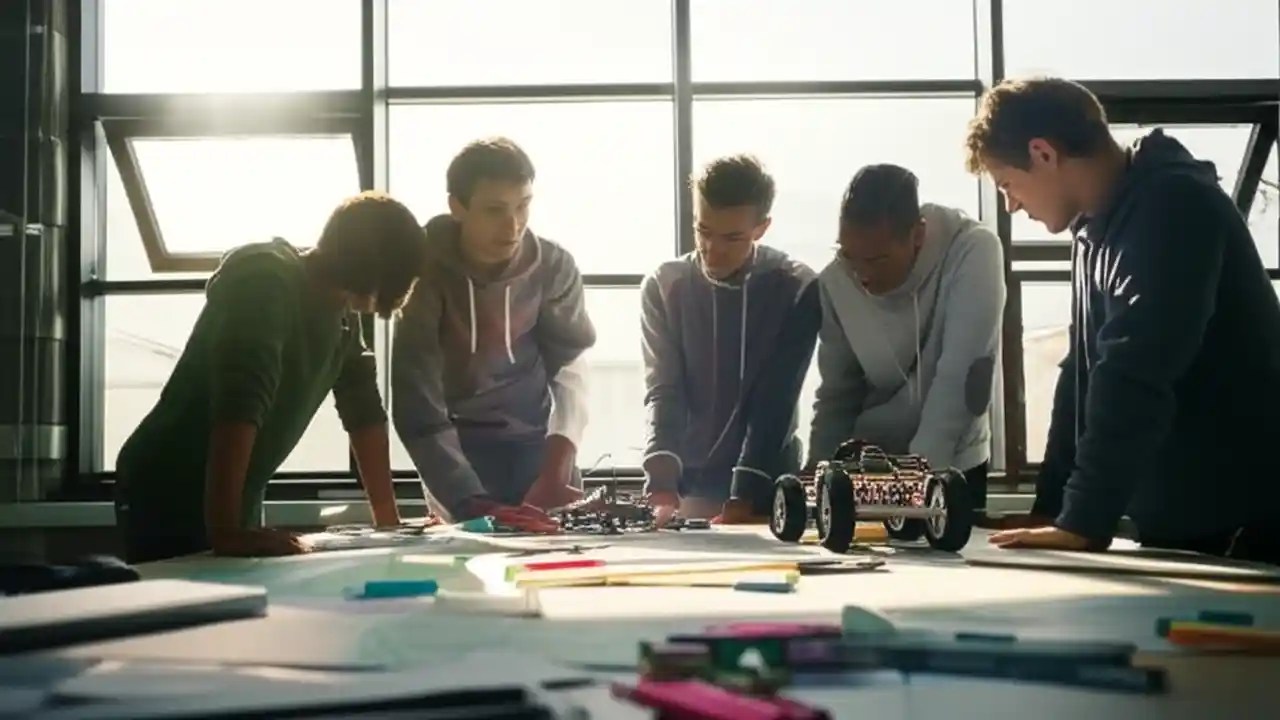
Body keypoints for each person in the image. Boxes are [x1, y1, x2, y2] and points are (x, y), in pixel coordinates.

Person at [964, 77, 1280, 562]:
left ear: (1043, 154)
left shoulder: (1172, 206)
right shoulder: (1094, 229)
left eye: (1008, 183)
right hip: (1183, 519)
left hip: (1246, 519)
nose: (1011, 203)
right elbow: (1083, 378)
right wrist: (1053, 509)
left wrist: (1084, 520)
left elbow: (1135, 367)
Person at [114, 191, 426, 562]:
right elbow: (241, 401)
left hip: (236, 488)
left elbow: (364, 411)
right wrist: (226, 530)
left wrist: (389, 526)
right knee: (185, 603)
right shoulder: (265, 280)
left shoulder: (342, 314)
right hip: (169, 480)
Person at [392, 137, 594, 533]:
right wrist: (466, 499)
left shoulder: (554, 266)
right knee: (468, 577)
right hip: (453, 454)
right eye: (495, 210)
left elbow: (571, 369)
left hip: (539, 451)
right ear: (457, 207)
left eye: (523, 206)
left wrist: (556, 471)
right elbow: (416, 400)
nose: (514, 225)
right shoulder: (423, 268)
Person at [808, 164, 1005, 516]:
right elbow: (837, 395)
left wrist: (918, 479)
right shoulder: (836, 283)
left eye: (877, 259)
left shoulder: (971, 251)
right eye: (850, 256)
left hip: (953, 464)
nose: (862, 274)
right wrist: (818, 479)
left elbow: (961, 372)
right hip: (870, 465)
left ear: (917, 235)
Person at [641, 154, 821, 524]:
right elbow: (664, 388)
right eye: (702, 231)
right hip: (688, 482)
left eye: (732, 237)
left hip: (768, 484)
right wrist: (661, 481)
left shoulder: (796, 286)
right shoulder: (664, 286)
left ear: (762, 228)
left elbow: (777, 398)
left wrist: (744, 494)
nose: (713, 250)